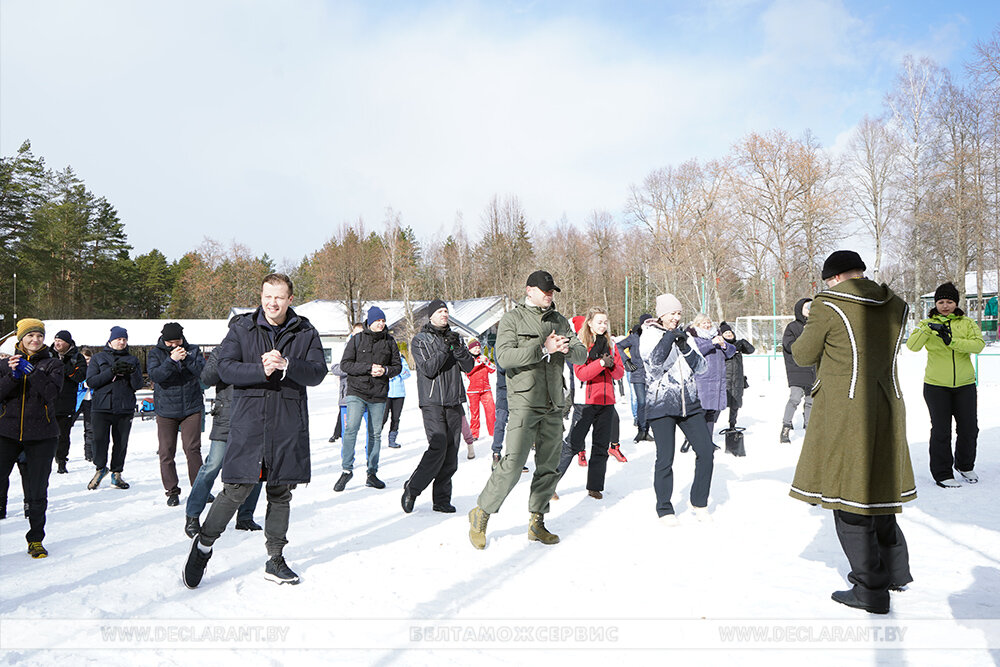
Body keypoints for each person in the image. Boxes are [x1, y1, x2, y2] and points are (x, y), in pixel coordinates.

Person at [789, 250, 914, 615]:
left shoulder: (829, 305)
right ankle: (896, 570)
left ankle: (870, 589)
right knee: (879, 486)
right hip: (887, 402)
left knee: (849, 498)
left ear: (835, 277)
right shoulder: (895, 305)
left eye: (827, 280)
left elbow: (803, 354)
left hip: (845, 409)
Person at [183, 273, 326, 588]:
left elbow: (318, 373)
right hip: (249, 421)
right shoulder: (242, 328)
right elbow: (224, 367)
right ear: (261, 297)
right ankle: (204, 545)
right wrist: (260, 369)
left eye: (279, 297)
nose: (272, 303)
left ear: (290, 300)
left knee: (280, 491)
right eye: (267, 296)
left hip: (288, 422)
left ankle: (275, 558)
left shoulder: (305, 331)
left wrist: (288, 364)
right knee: (236, 489)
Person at [468, 270, 587, 549]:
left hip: (553, 403)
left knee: (548, 467)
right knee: (512, 464)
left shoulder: (560, 320)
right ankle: (481, 513)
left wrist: (566, 347)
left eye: (551, 291)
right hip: (524, 403)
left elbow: (582, 352)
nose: (549, 295)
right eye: (544, 291)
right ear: (529, 290)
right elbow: (504, 357)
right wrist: (542, 348)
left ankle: (537, 522)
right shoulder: (512, 319)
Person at [639, 294, 714, 525]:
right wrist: (668, 339)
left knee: (706, 452)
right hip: (662, 405)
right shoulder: (649, 335)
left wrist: (685, 346)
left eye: (679, 313)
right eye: (672, 313)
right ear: (661, 314)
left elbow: (702, 368)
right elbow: (653, 366)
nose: (676, 317)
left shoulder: (685, 336)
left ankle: (699, 502)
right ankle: (664, 508)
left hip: (689, 404)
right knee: (665, 458)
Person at [905, 281, 985, 488]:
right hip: (936, 386)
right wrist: (927, 329)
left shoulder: (966, 323)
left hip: (965, 385)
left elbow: (978, 345)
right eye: (941, 301)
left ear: (956, 303)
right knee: (941, 430)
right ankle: (942, 473)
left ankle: (965, 465)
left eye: (949, 301)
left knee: (969, 428)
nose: (945, 305)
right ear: (935, 303)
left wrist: (952, 342)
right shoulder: (925, 324)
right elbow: (912, 346)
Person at [401, 299, 475, 514]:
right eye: (440, 311)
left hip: (453, 401)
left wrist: (459, 349)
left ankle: (441, 499)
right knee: (437, 447)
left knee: (451, 453)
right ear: (431, 315)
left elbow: (469, 366)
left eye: (446, 311)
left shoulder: (455, 338)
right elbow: (429, 368)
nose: (444, 314)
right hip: (432, 402)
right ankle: (412, 488)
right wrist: (445, 347)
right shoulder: (420, 340)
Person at [184, 346, 263, 538]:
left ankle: (245, 516)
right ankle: (193, 515)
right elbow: (206, 379)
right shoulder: (222, 351)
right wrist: (227, 356)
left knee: (256, 467)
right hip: (226, 416)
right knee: (213, 465)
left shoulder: (260, 349)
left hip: (255, 415)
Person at [0, 319, 63, 558]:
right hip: (5, 433)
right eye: (30, 336)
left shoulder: (53, 364)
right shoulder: (5, 364)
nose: (35, 340)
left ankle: (35, 539)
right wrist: (13, 376)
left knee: (37, 491)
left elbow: (51, 394)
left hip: (42, 436)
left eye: (39, 336)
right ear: (20, 339)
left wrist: (33, 373)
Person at [555, 307, 624, 500]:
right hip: (585, 402)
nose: (603, 326)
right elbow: (581, 373)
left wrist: (611, 366)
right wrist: (600, 364)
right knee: (573, 444)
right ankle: (549, 484)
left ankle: (595, 486)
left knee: (601, 446)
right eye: (599, 322)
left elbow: (620, 373)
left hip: (607, 401)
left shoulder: (612, 344)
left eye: (605, 322)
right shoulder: (581, 344)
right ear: (590, 323)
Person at [334, 306, 402, 492]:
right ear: (370, 322)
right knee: (351, 429)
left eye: (383, 321)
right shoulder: (357, 339)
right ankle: (346, 470)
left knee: (375, 433)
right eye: (377, 320)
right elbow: (346, 364)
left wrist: (386, 371)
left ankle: (372, 473)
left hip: (379, 394)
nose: (381, 323)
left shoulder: (390, 341)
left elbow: (397, 366)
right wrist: (368, 368)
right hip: (357, 391)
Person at [147, 322, 206, 506]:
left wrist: (186, 359)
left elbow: (203, 373)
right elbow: (156, 376)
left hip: (191, 407)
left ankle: (199, 489)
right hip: (166, 409)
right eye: (170, 342)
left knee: (192, 449)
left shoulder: (193, 350)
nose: (174, 345)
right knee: (166, 451)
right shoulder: (155, 353)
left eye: (177, 341)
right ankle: (172, 490)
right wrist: (171, 361)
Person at [86, 327, 143, 491]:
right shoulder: (98, 358)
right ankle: (100, 468)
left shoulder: (133, 359)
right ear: (110, 340)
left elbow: (138, 385)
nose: (122, 342)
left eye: (124, 339)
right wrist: (111, 371)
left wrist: (131, 373)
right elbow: (91, 382)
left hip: (124, 407)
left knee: (121, 442)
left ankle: (117, 473)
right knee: (99, 440)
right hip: (101, 406)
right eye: (118, 339)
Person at [683, 313, 735, 450]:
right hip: (702, 380)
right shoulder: (694, 338)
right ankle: (690, 439)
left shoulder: (717, 337)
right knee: (700, 412)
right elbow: (695, 351)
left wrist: (724, 344)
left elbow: (730, 352)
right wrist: (711, 343)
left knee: (711, 412)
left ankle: (708, 441)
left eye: (708, 323)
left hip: (717, 380)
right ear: (697, 325)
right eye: (703, 323)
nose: (707, 326)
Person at [50, 330, 88, 474]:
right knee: (44, 433)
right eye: (56, 340)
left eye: (60, 341)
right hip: (47, 401)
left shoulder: (77, 357)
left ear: (68, 343)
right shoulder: (48, 354)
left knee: (63, 434)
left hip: (66, 402)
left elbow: (80, 376)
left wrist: (63, 366)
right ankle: (45, 458)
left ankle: (61, 460)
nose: (57, 343)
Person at [781, 298, 816, 443]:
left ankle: (809, 426)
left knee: (810, 401)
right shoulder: (792, 327)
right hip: (797, 369)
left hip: (813, 370)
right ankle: (786, 427)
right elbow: (789, 346)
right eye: (806, 307)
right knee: (795, 398)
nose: (809, 309)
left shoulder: (816, 326)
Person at [616, 314, 653, 443]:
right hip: (638, 373)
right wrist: (627, 361)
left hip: (652, 374)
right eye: (646, 322)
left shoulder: (654, 336)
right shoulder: (634, 336)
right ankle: (641, 430)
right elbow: (618, 346)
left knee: (650, 403)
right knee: (642, 402)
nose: (649, 324)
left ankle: (647, 430)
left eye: (651, 322)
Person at [329, 323, 364, 443]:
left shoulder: (369, 347)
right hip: (347, 394)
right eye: (356, 334)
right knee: (347, 429)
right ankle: (347, 458)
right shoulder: (343, 348)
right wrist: (352, 368)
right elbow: (335, 368)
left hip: (366, 394)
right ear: (352, 333)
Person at [718, 322, 754, 431]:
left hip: (737, 380)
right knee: (717, 407)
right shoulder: (720, 346)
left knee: (735, 406)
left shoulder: (739, 344)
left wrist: (743, 342)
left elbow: (751, 350)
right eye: (725, 333)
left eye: (730, 332)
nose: (728, 334)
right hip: (725, 380)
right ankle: (708, 428)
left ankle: (732, 426)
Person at [464, 337, 496, 450]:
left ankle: (493, 432)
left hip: (486, 389)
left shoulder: (484, 358)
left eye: (478, 347)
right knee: (474, 413)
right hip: (473, 391)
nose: (477, 349)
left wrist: (486, 361)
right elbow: (468, 371)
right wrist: (478, 363)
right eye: (475, 348)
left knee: (491, 411)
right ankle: (474, 434)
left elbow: (493, 369)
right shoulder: (467, 359)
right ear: (470, 349)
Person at [383, 351, 411, 449]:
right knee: (382, 418)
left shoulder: (401, 360)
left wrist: (399, 367)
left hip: (399, 394)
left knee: (395, 418)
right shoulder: (384, 359)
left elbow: (407, 375)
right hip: (385, 393)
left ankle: (392, 440)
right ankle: (373, 440)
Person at [78, 347, 96, 463]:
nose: (86, 361)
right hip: (78, 400)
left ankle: (89, 454)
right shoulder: (78, 368)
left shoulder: (95, 368)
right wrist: (82, 385)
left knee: (90, 428)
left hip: (91, 400)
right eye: (84, 358)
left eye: (88, 359)